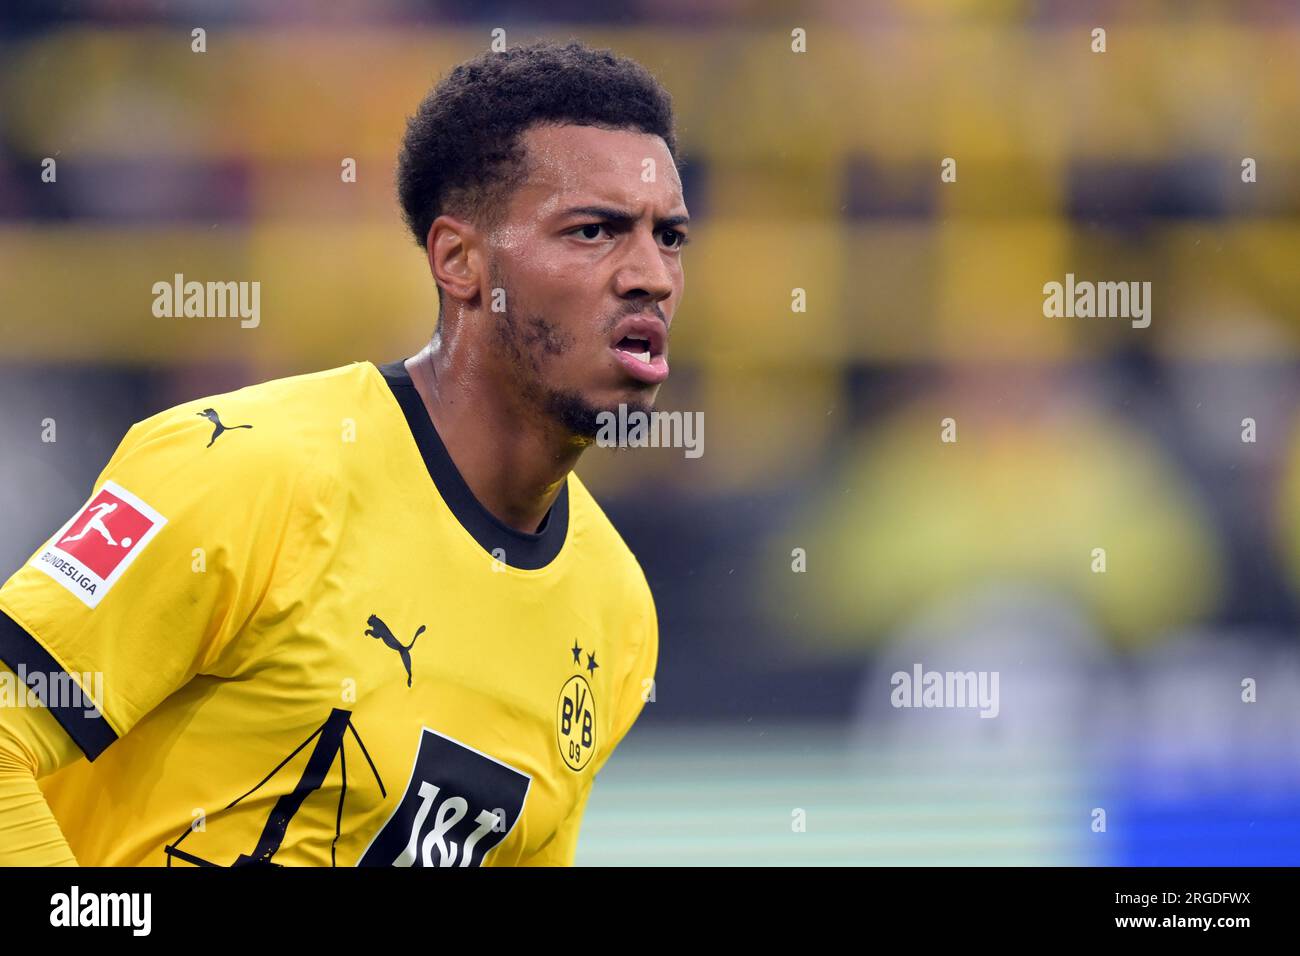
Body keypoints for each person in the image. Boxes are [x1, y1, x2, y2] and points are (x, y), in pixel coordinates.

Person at [0, 38, 688, 867]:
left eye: (670, 238)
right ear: (460, 261)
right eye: (594, 231)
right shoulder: (247, 470)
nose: (650, 273)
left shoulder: (616, 611)